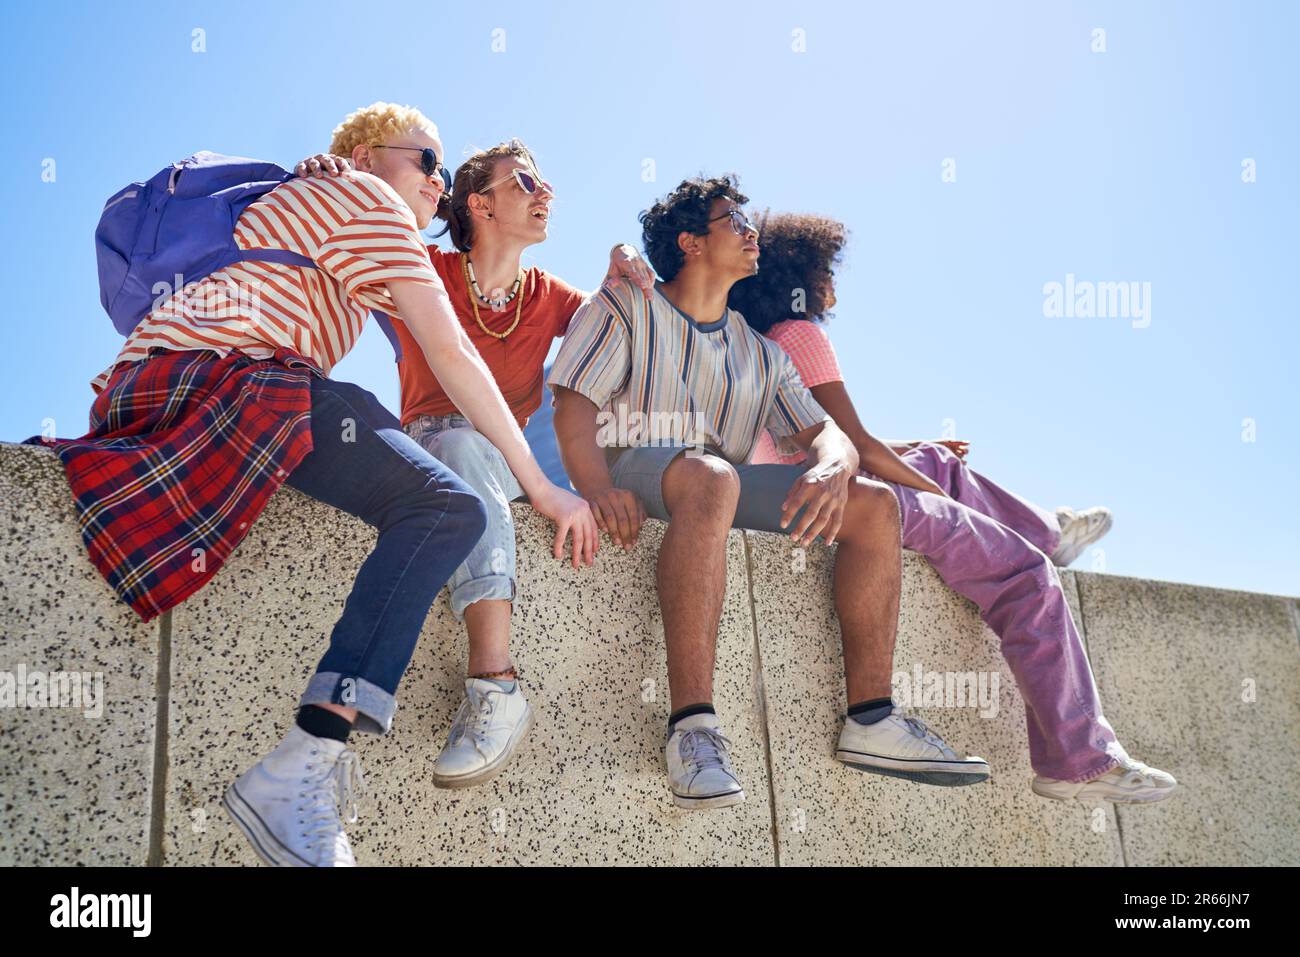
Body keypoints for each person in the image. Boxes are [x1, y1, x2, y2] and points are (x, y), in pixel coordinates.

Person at [41, 102, 597, 865]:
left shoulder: (323, 207)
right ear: (369, 157)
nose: (437, 182)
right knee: (445, 507)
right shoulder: (367, 202)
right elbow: (451, 353)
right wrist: (542, 485)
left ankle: (305, 766)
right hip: (237, 378)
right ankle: (304, 762)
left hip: (162, 386)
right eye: (426, 162)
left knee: (409, 472)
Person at [547, 176, 989, 811]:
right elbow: (573, 406)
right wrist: (592, 488)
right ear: (690, 242)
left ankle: (871, 720)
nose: (751, 231)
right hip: (633, 471)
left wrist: (834, 465)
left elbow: (826, 432)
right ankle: (693, 730)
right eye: (734, 221)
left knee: (872, 505)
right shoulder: (625, 305)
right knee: (712, 476)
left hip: (710, 487)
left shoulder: (759, 351)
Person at [729, 211, 1177, 804]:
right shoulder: (800, 335)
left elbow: (817, 438)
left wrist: (917, 454)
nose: (834, 285)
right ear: (800, 274)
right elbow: (855, 447)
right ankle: (1079, 760)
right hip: (834, 503)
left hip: (799, 489)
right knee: (1023, 573)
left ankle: (1048, 529)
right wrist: (941, 497)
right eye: (826, 270)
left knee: (934, 457)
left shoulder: (760, 341)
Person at [296, 140, 655, 788]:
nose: (545, 193)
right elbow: (332, 250)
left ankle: (495, 686)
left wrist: (623, 263)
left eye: (545, 183)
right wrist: (331, 181)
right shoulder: (422, 269)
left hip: (495, 464)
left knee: (463, 445)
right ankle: (471, 694)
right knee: (444, 446)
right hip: (426, 454)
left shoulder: (551, 298)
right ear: (479, 204)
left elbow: (625, 337)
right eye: (524, 183)